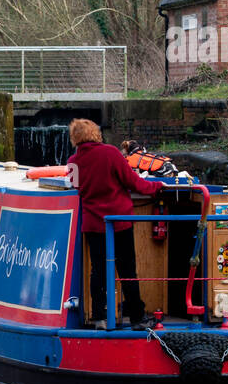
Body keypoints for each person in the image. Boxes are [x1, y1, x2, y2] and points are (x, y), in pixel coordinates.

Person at [66, 118, 165, 328]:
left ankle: (98, 316)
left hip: (93, 223)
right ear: (95, 133)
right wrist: (156, 188)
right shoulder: (111, 153)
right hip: (119, 221)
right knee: (127, 269)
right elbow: (133, 182)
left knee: (98, 270)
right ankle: (137, 317)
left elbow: (76, 188)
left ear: (75, 138)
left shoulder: (72, 162)